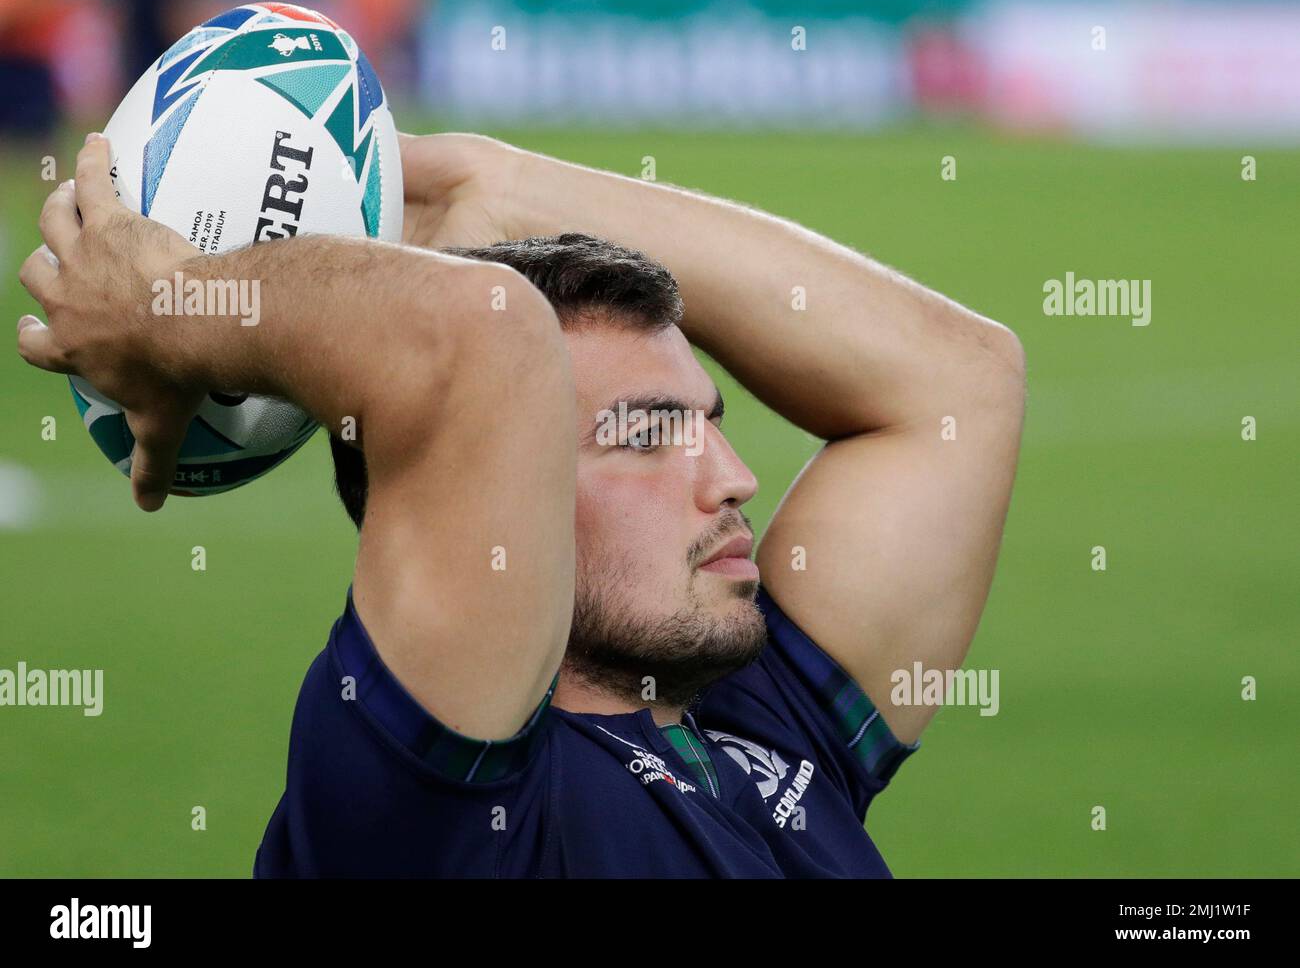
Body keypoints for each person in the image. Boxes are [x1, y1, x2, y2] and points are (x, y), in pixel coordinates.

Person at [17, 132, 1025, 877]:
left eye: (708, 421)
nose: (730, 476)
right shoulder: (447, 804)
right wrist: (175, 303)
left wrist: (498, 190)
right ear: (493, 505)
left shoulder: (767, 733)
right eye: (644, 434)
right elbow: (472, 341)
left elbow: (955, 380)